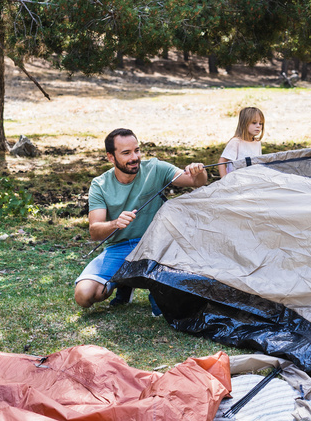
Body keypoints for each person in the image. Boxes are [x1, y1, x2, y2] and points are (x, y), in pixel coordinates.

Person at [74, 128, 208, 309]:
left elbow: (196, 182)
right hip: (119, 248)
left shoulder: (155, 168)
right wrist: (115, 223)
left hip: (155, 247)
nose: (134, 157)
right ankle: (124, 282)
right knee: (84, 295)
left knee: (173, 300)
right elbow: (95, 231)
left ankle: (151, 286)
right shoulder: (100, 184)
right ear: (111, 157)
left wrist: (197, 171)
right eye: (126, 153)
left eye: (136, 150)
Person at [219, 107, 264, 176]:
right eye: (254, 123)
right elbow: (222, 162)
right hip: (236, 181)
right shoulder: (236, 142)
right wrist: (224, 181)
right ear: (244, 124)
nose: (258, 126)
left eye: (260, 123)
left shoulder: (257, 142)